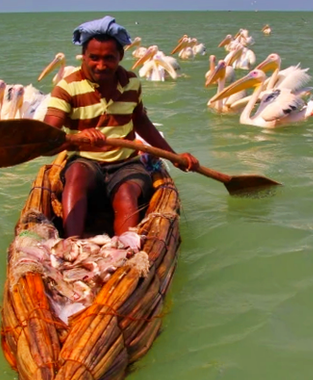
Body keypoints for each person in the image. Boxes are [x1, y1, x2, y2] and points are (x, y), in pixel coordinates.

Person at [43, 16, 199, 238]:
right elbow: (47, 140)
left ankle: (124, 248)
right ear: (83, 57)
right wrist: (78, 138)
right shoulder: (67, 88)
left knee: (127, 192)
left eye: (109, 58)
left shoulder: (132, 83)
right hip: (85, 162)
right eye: (94, 58)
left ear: (120, 57)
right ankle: (71, 243)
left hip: (126, 164)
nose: (101, 65)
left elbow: (142, 123)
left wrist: (173, 156)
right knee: (76, 173)